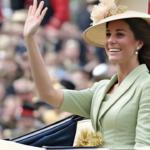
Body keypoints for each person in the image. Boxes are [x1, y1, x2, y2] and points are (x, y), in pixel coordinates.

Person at [23, 0, 150, 149]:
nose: (111, 41)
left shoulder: (146, 85)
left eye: (120, 34)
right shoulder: (100, 89)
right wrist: (30, 39)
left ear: (139, 43)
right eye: (108, 34)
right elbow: (48, 94)